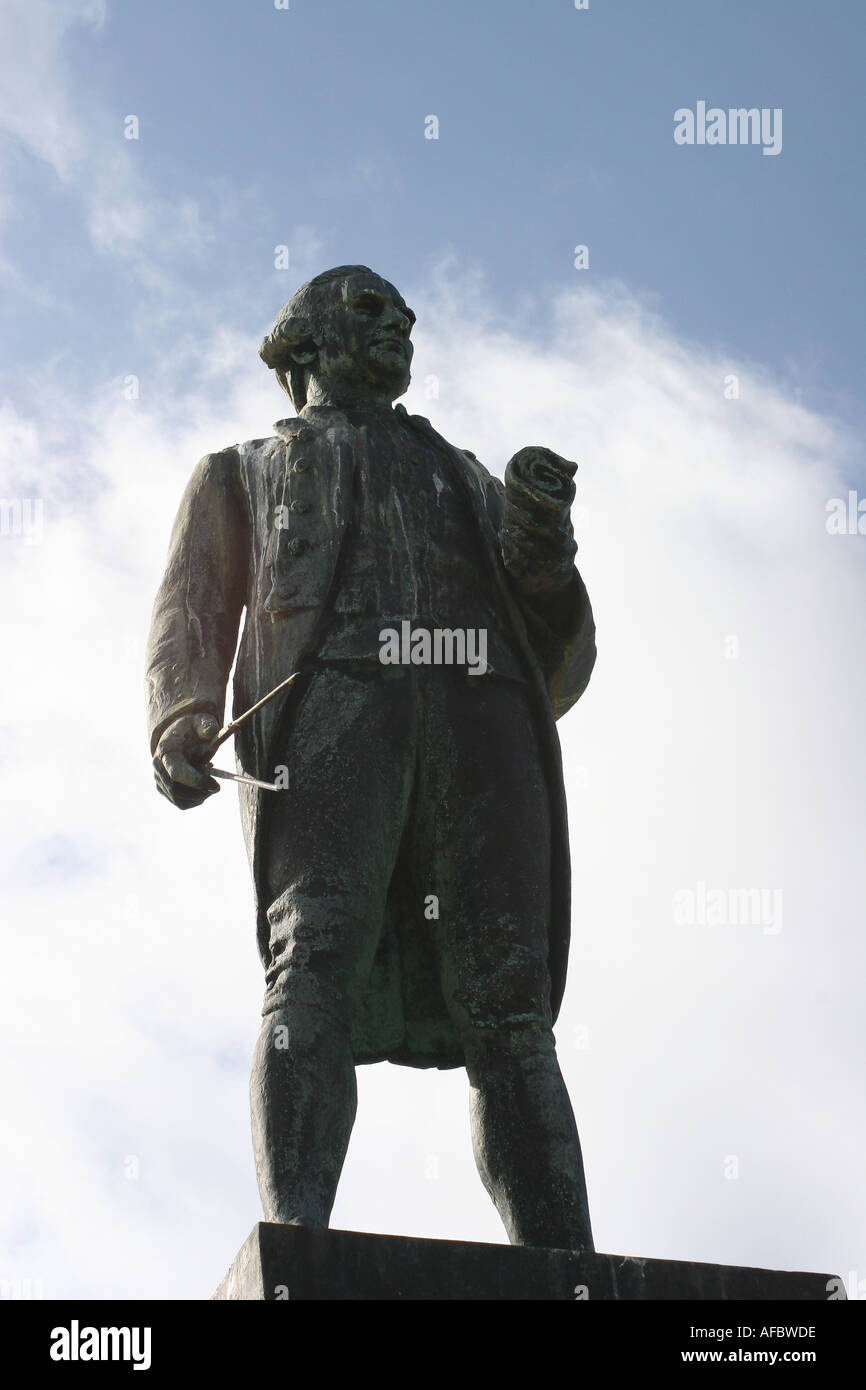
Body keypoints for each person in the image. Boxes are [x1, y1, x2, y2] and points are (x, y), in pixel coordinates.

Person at [145, 265, 597, 1249]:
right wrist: (181, 713)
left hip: (481, 714)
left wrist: (542, 542)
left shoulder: (462, 474)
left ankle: (564, 1264)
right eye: (368, 308)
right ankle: (296, 1239)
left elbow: (551, 627)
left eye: (404, 313)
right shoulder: (241, 469)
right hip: (331, 710)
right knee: (311, 956)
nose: (399, 322)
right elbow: (192, 603)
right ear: (301, 339)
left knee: (510, 1006)